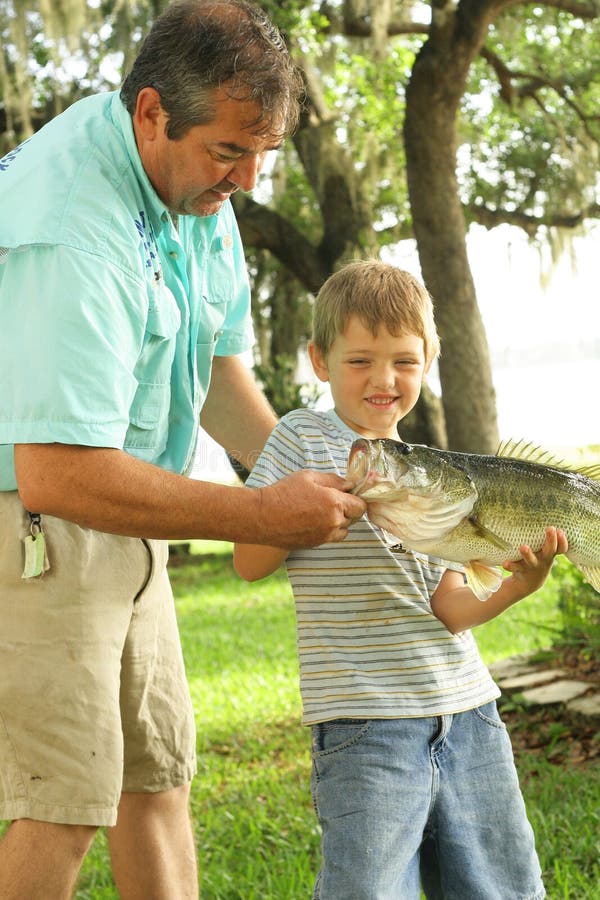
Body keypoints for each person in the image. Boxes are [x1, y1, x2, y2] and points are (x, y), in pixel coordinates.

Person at [0, 2, 366, 897]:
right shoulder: (68, 224)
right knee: (65, 800)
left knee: (156, 781)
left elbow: (212, 377)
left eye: (261, 155)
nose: (244, 179)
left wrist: (326, 469)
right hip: (37, 522)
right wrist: (260, 511)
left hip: (130, 512)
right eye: (230, 153)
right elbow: (54, 469)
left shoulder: (192, 186)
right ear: (153, 112)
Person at [233, 259, 568, 900]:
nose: (383, 379)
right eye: (360, 360)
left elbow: (451, 607)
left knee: (502, 887)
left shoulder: (427, 473)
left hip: (469, 712)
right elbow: (249, 562)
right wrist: (301, 514)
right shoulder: (300, 438)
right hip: (364, 724)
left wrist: (518, 586)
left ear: (428, 361)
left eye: (403, 362)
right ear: (320, 361)